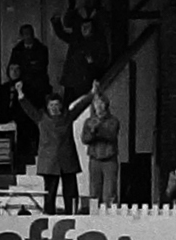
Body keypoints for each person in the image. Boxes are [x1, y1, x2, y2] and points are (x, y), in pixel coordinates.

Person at [21, 85, 96, 215]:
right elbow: (28, 109)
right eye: (51, 105)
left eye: (56, 105)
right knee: (49, 193)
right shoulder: (41, 117)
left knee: (71, 192)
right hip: (49, 161)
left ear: (61, 105)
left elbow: (80, 106)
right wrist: (20, 94)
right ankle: (49, 216)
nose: (54, 108)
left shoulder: (68, 116)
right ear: (47, 106)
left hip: (67, 159)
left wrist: (92, 94)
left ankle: (71, 215)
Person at [81, 89, 122, 205]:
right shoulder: (88, 121)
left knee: (110, 191)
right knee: (94, 191)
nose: (98, 106)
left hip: (109, 158)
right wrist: (92, 132)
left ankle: (110, 214)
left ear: (106, 104)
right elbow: (85, 139)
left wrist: (98, 129)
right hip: (94, 158)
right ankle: (94, 215)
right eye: (96, 103)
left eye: (101, 103)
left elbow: (111, 135)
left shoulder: (113, 121)